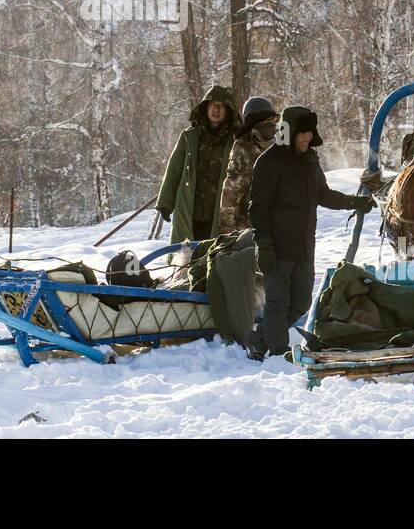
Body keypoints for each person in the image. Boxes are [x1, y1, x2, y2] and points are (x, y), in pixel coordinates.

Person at [247, 106, 374, 357]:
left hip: (304, 248)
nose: (307, 138)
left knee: (302, 302)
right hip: (276, 248)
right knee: (277, 305)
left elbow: (323, 195)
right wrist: (265, 244)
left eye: (309, 133)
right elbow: (257, 209)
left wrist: (355, 202)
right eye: (302, 133)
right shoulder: (268, 163)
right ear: (288, 132)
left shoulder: (310, 159)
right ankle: (278, 355)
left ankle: (261, 336)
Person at [155, 85, 241, 244]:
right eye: (212, 105)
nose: (216, 109)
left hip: (219, 212)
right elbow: (174, 170)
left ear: (228, 110)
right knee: (185, 255)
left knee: (214, 256)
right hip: (190, 209)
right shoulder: (190, 137)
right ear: (205, 108)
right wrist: (165, 203)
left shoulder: (235, 141)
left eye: (221, 106)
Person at [218, 96, 279, 233]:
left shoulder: (242, 147)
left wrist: (226, 229)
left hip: (250, 226)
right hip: (275, 224)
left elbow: (232, 189)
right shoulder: (281, 142)